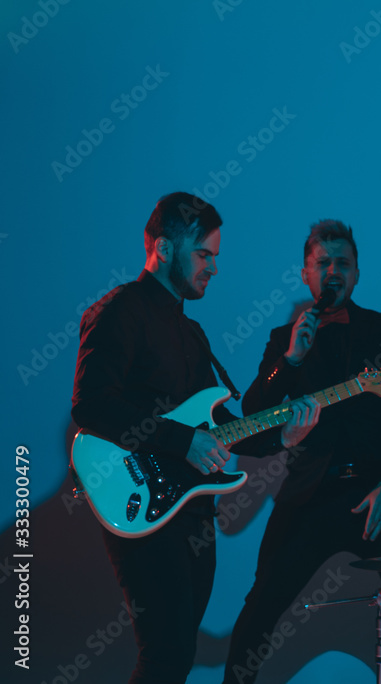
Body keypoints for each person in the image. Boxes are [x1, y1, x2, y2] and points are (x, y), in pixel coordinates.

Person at [71, 192, 319, 684]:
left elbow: (226, 427)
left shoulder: (192, 334)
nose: (214, 267)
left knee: (175, 658)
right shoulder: (120, 311)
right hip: (140, 503)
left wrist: (284, 438)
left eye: (216, 257)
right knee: (166, 657)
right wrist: (181, 442)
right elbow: (91, 405)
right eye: (204, 254)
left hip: (192, 512)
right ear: (163, 248)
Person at [223, 220, 381, 684]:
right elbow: (252, 419)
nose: (333, 271)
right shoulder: (284, 340)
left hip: (378, 491)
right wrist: (290, 361)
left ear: (356, 274)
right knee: (258, 612)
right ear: (306, 274)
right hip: (309, 494)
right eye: (323, 263)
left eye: (343, 263)